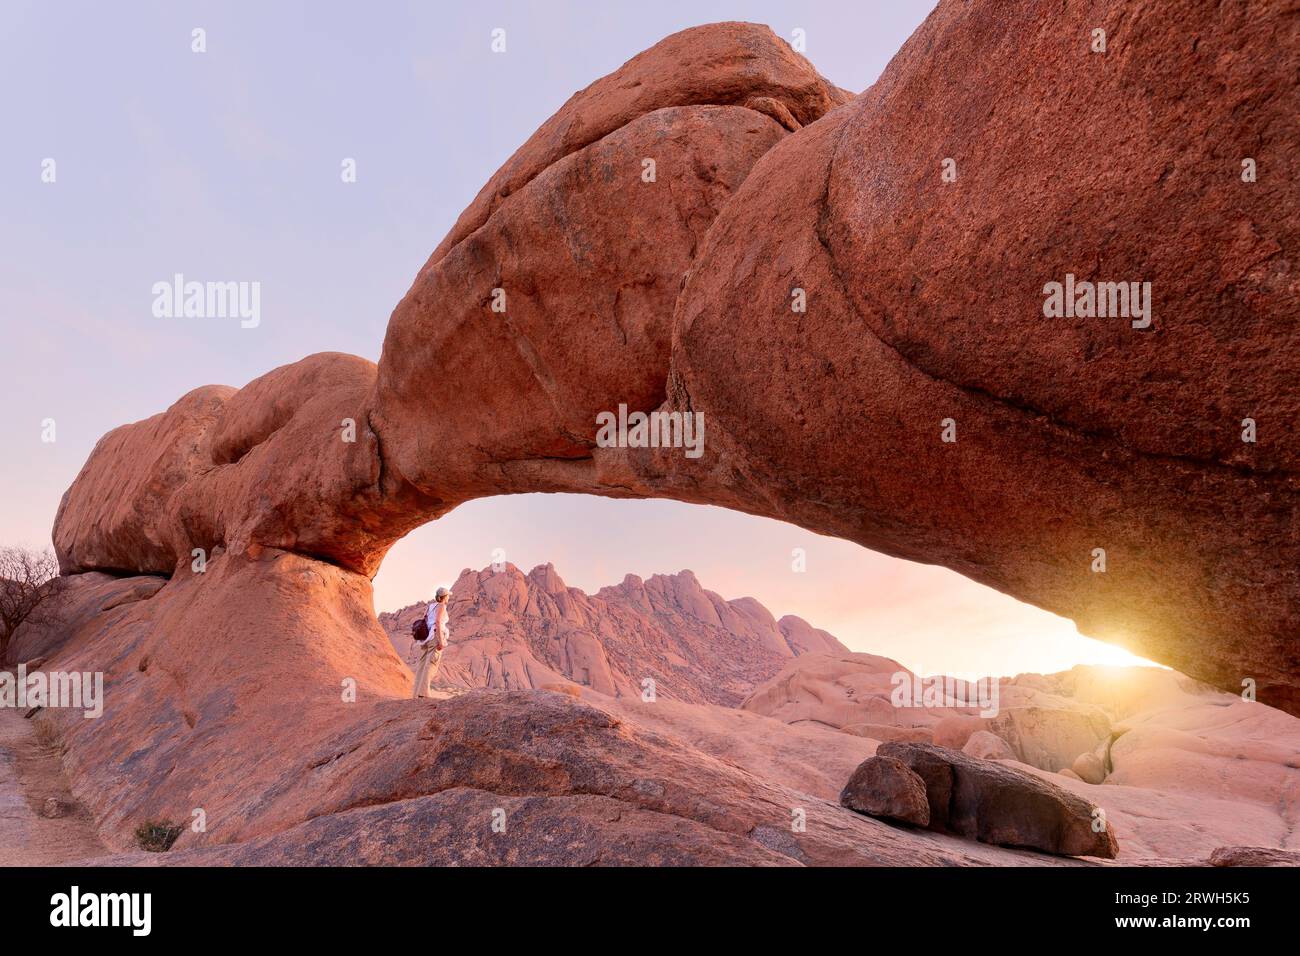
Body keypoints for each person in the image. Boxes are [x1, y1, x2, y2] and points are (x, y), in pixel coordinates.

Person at [411, 586, 450, 698]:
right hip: (435, 637)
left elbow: (425, 620)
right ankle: (423, 693)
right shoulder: (442, 606)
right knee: (431, 664)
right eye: (448, 596)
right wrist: (441, 641)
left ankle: (416, 693)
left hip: (426, 638)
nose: (448, 598)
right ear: (444, 597)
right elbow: (437, 622)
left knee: (422, 665)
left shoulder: (430, 607)